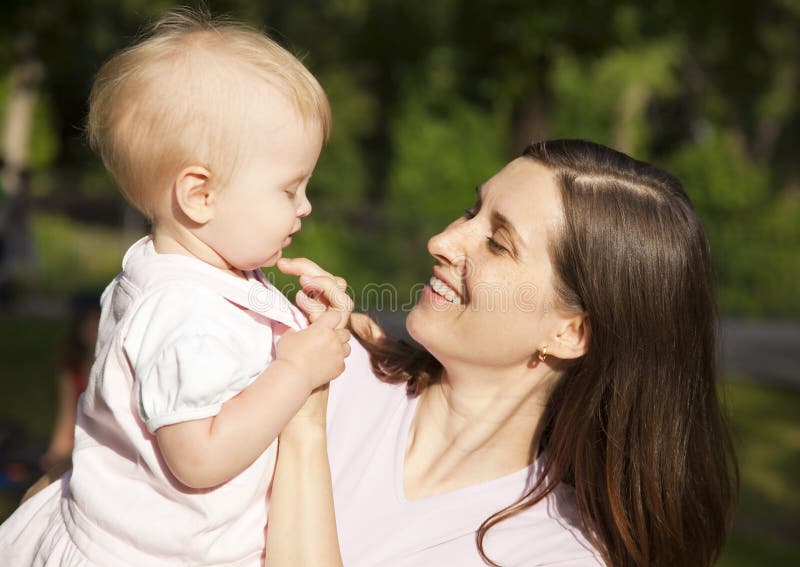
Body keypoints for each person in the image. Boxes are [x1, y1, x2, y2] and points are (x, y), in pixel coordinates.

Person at [268, 140, 738, 567]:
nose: (443, 242)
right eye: (471, 211)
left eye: (497, 243)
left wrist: (306, 422)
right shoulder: (327, 362)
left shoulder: (556, 552)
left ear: (570, 333)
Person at [0, 9, 353, 566]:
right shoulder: (182, 310)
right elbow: (199, 458)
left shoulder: (189, 269)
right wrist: (297, 370)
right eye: (291, 189)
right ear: (200, 196)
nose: (305, 206)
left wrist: (295, 326)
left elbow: (226, 365)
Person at [40, 293, 100, 472]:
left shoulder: (117, 368)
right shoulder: (72, 369)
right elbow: (67, 417)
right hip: (78, 446)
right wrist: (54, 455)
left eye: (97, 321)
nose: (92, 329)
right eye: (87, 322)